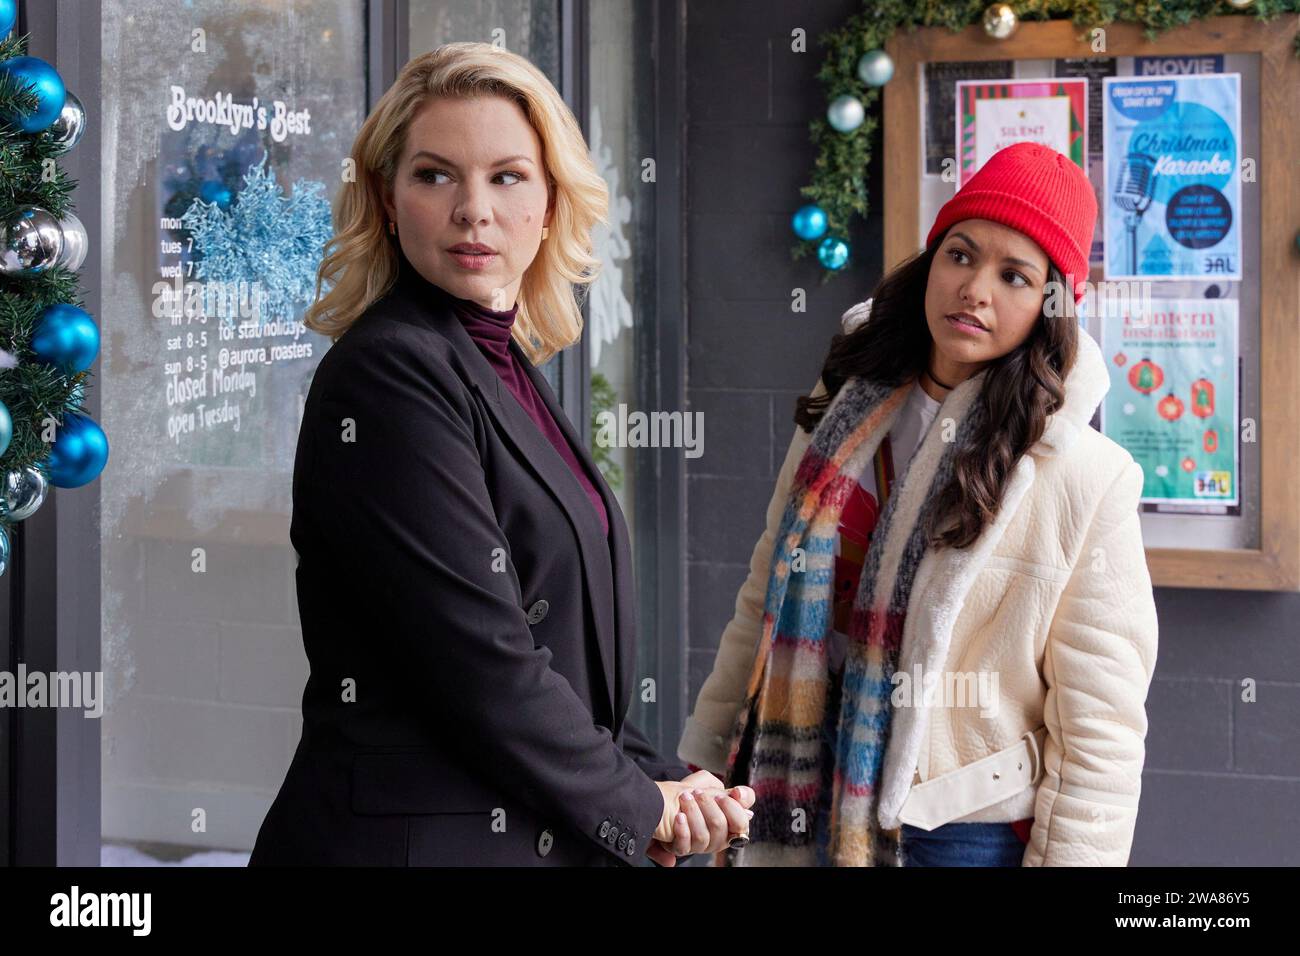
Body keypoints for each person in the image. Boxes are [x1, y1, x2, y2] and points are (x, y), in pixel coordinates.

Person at [249, 41, 753, 867]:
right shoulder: (389, 374)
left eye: (507, 176)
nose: (472, 210)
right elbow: (482, 661)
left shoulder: (496, 360)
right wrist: (637, 806)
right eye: (435, 175)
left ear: (552, 203)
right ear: (386, 199)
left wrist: (667, 782)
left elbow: (559, 657)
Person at [678, 141, 1159, 867]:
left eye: (1014, 276)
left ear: (1050, 306)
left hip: (956, 829)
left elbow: (1102, 726)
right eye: (960, 255)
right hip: (797, 781)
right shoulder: (844, 407)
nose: (975, 290)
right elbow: (763, 596)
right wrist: (711, 758)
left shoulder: (1083, 477)